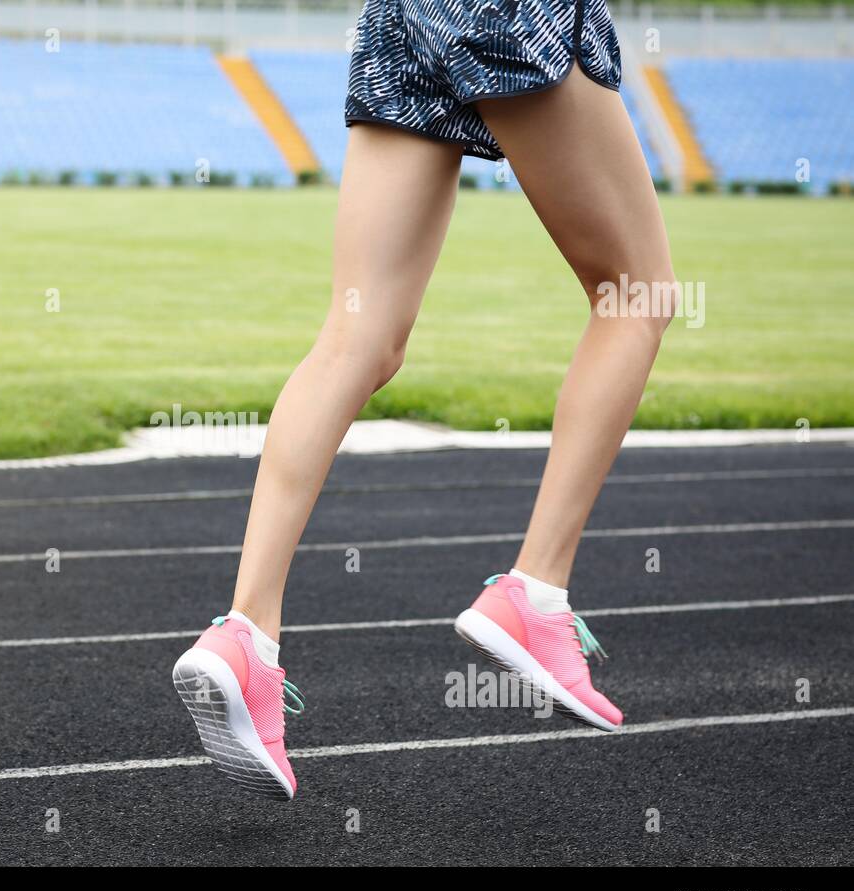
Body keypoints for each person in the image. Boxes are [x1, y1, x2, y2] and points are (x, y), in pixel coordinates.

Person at [172, 0, 678, 800]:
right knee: (636, 295)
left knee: (357, 337)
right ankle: (534, 593)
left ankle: (245, 634)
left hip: (403, 16)